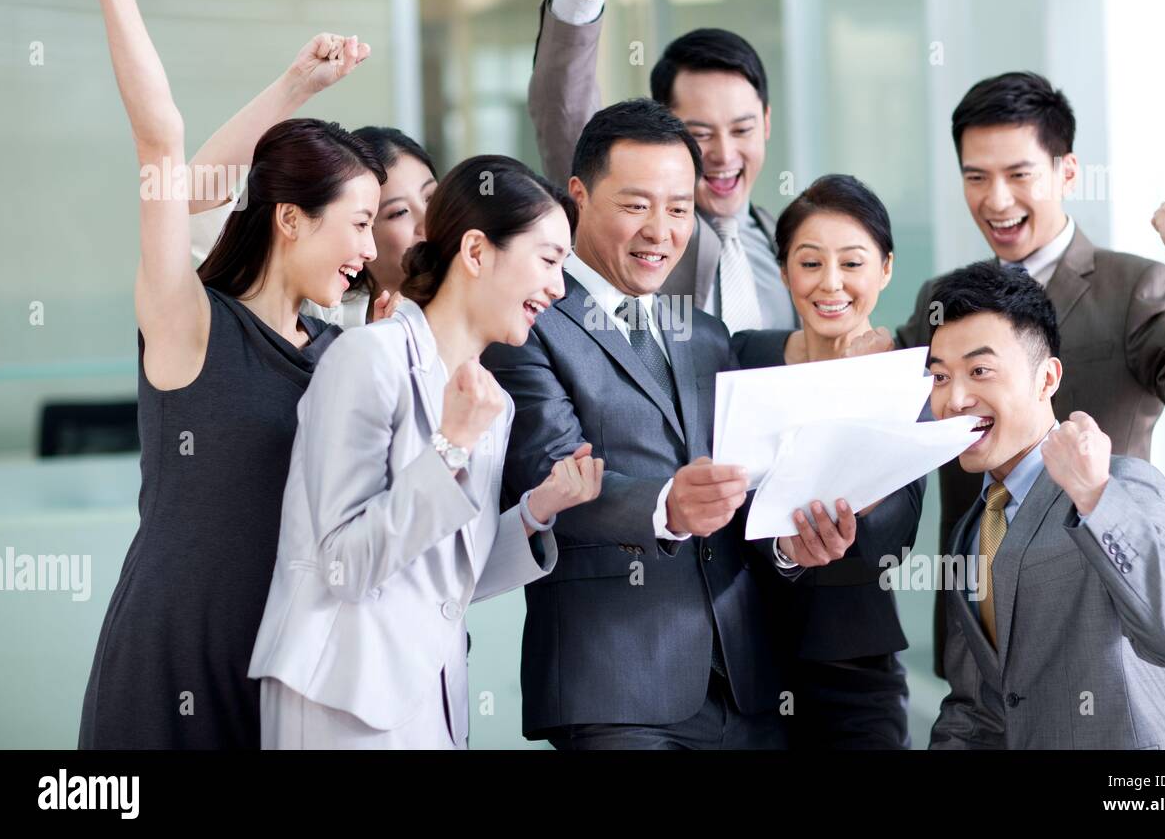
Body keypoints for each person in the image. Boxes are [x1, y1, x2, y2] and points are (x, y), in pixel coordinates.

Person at [70, 0, 384, 748]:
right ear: (289, 219)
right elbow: (168, 155)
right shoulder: (191, 325)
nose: (369, 247)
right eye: (358, 223)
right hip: (171, 655)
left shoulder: (341, 352)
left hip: (288, 662)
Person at [485, 98, 841, 749]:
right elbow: (550, 483)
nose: (661, 230)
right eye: (635, 205)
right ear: (578, 197)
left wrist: (792, 544)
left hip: (743, 684)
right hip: (614, 685)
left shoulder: (705, 336)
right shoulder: (527, 322)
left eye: (679, 209)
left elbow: (740, 495)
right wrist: (667, 507)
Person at [895, 71, 1165, 677]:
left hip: (1093, 611)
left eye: (1019, 174)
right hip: (979, 619)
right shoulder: (943, 299)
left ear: (1066, 172)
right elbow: (896, 416)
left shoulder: (1132, 287)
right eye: (975, 177)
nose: (996, 200)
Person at [248, 156, 601, 749]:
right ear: (476, 252)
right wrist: (450, 447)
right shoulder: (367, 359)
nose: (558, 288)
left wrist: (538, 511)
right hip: (342, 696)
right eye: (547, 260)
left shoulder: (491, 401)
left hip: (433, 703)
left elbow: (440, 577)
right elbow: (346, 565)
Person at [925, 262, 1165, 748]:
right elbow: (978, 707)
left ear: (1046, 379)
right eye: (939, 377)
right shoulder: (970, 531)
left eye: (979, 371)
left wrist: (1096, 498)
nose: (954, 399)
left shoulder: (1122, 484)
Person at [526, 0, 797, 334]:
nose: (723, 154)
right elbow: (564, 108)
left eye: (742, 129)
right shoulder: (642, 234)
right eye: (700, 134)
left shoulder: (789, 243)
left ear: (765, 122)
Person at [732, 175, 925, 749]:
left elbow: (896, 532)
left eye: (853, 263)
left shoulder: (901, 376)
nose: (831, 284)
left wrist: (862, 396)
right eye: (810, 263)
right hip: (739, 666)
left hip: (852, 673)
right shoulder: (744, 354)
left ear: (885, 269)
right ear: (785, 269)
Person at [186, 41, 437, 327]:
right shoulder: (318, 308)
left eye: (432, 198)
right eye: (398, 212)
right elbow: (196, 192)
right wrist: (296, 86)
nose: (428, 223)